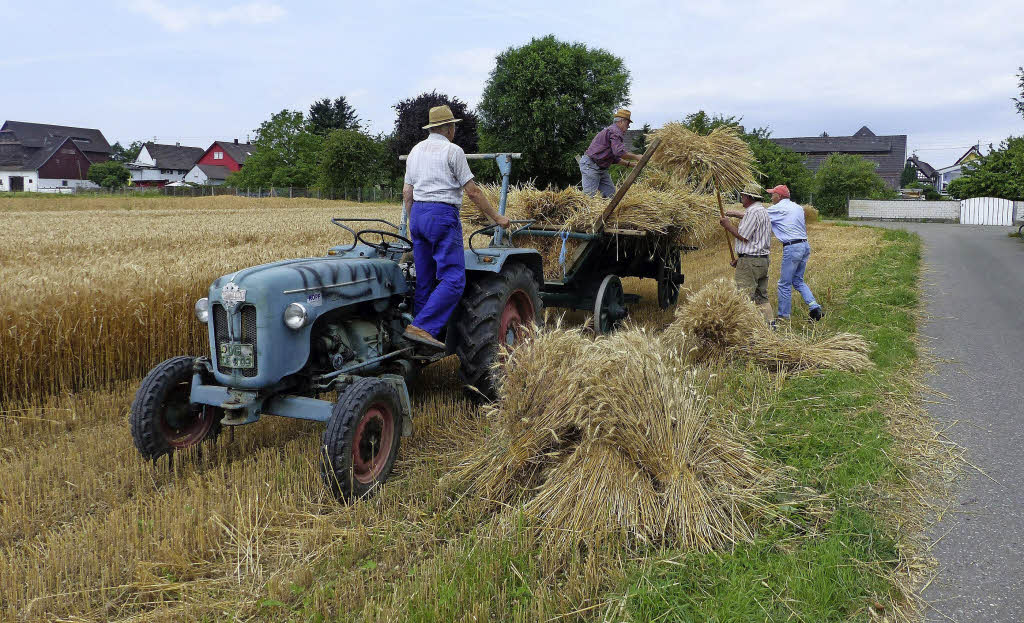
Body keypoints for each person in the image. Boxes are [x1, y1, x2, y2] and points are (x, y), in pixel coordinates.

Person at [402, 105, 511, 351]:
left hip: (418, 214)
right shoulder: (453, 151)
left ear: (432, 128)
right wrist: (496, 217)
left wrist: (413, 222)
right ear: (449, 128)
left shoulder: (415, 151)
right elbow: (473, 192)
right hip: (441, 214)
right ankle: (422, 327)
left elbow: (407, 192)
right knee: (453, 279)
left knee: (424, 280)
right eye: (454, 127)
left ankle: (419, 340)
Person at [764, 184, 824, 322]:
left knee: (784, 284)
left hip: (792, 247)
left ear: (779, 196)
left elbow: (757, 216)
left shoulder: (778, 208)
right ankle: (814, 307)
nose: (771, 197)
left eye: (772, 194)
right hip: (804, 245)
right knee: (798, 280)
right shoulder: (797, 207)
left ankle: (783, 317)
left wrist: (734, 214)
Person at [720, 187, 774, 322]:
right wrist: (742, 259)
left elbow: (744, 236)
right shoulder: (762, 211)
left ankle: (745, 329)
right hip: (761, 261)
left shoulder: (753, 212)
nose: (742, 199)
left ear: (749, 198)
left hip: (751, 262)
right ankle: (770, 325)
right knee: (761, 298)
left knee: (742, 298)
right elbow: (755, 240)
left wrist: (727, 225)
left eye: (743, 196)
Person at [579, 109, 644, 197]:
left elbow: (614, 158)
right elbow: (619, 152)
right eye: (627, 123)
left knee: (611, 195)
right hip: (591, 166)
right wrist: (636, 157)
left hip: (600, 168)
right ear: (621, 121)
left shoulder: (612, 131)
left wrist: (630, 164)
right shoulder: (615, 131)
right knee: (589, 197)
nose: (628, 126)